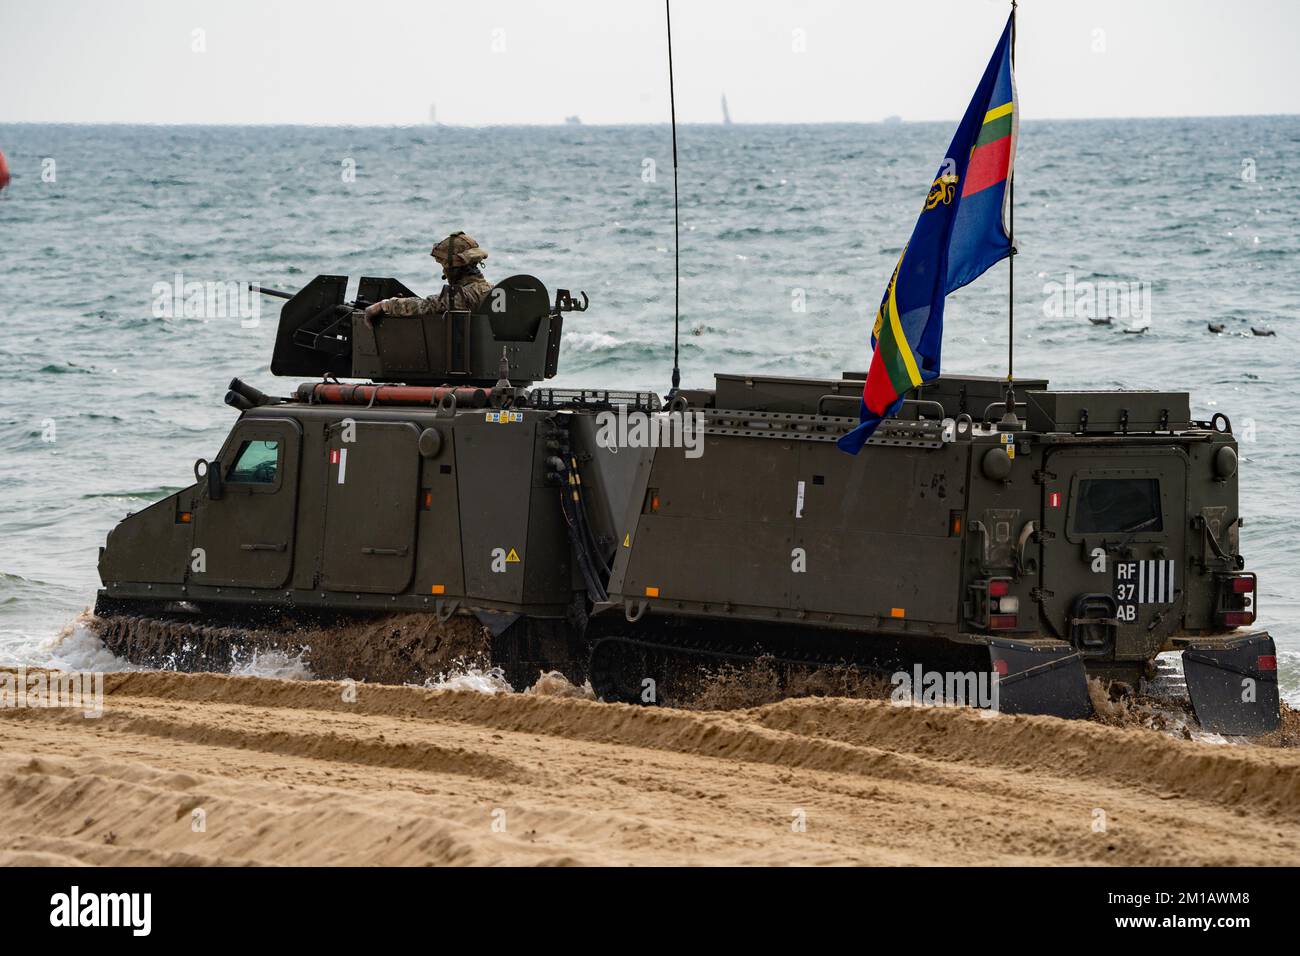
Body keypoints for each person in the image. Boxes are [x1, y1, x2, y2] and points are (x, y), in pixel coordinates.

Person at [364, 232, 491, 320]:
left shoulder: (462, 297)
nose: (444, 272)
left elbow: (426, 306)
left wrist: (384, 305)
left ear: (453, 267)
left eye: (444, 265)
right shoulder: (492, 290)